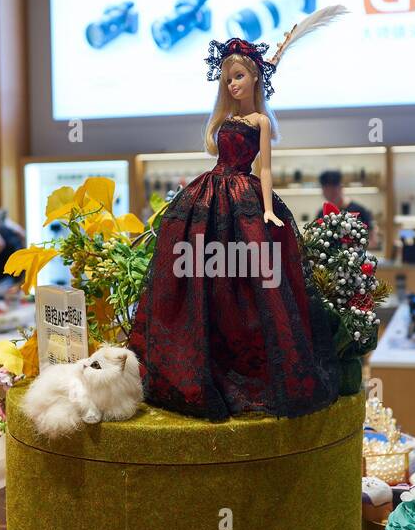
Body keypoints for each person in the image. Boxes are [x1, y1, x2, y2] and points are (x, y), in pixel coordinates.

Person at [128, 29, 341, 420]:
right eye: (228, 78)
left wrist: (268, 210)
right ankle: (204, 363)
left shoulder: (261, 121)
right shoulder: (226, 119)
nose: (232, 84)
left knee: (246, 278)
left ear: (255, 76)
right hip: (210, 193)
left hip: (244, 196)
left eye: (239, 76)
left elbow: (265, 170)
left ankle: (245, 364)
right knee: (200, 270)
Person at [319, 169, 376, 248]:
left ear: (341, 187)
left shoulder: (359, 211)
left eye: (333, 188)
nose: (330, 193)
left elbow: (373, 240)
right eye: (326, 189)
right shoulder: (321, 214)